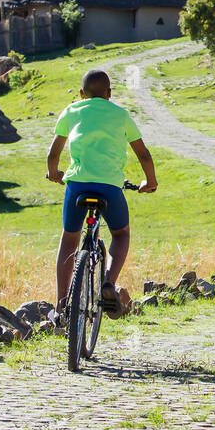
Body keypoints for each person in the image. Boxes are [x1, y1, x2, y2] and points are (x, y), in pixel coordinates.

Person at [45, 69, 157, 324]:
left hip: (77, 186)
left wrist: (54, 173)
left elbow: (53, 154)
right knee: (121, 233)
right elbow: (144, 155)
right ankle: (108, 282)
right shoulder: (120, 115)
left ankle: (61, 306)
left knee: (69, 240)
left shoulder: (72, 111)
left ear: (81, 94)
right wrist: (150, 182)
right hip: (110, 188)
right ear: (109, 93)